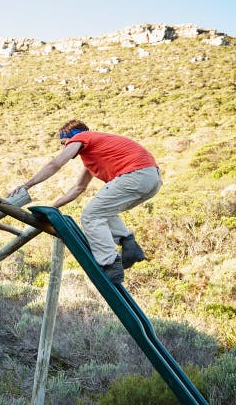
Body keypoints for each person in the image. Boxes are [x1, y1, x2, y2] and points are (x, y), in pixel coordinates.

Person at [9, 119, 162, 284]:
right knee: (102, 211)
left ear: (72, 137)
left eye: (64, 142)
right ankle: (129, 244)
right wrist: (52, 208)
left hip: (135, 175)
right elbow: (78, 188)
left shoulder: (82, 137)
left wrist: (27, 185)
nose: (64, 147)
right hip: (151, 180)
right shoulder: (93, 153)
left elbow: (56, 164)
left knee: (91, 216)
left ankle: (110, 263)